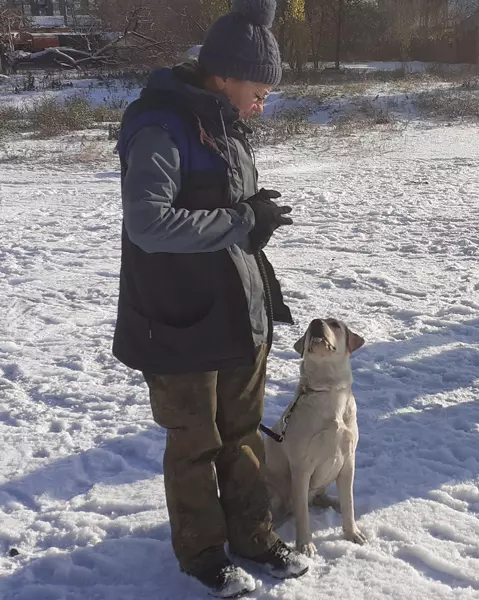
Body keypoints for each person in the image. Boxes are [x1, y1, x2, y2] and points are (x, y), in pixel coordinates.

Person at [112, 0, 307, 595]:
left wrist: (253, 218)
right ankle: (201, 553)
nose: (264, 99)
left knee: (243, 435)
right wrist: (240, 220)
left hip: (238, 314)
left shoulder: (226, 124)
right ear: (222, 75)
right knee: (196, 446)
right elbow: (147, 222)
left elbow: (227, 214)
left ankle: (254, 536)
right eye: (259, 86)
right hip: (179, 321)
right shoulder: (161, 125)